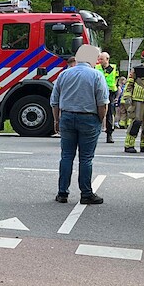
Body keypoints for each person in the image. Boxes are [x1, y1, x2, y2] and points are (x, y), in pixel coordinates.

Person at [51, 43, 108, 204]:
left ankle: (62, 193)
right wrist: (101, 121)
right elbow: (102, 103)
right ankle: (86, 193)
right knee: (86, 158)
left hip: (67, 117)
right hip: (89, 118)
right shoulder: (97, 75)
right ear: (91, 58)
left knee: (66, 156)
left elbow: (54, 101)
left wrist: (56, 120)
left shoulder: (64, 74)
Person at [95, 52, 119, 143]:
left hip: (110, 93)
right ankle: (95, 133)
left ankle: (109, 134)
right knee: (96, 113)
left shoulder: (113, 68)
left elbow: (116, 80)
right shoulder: (96, 67)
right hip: (98, 91)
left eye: (101, 59)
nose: (99, 61)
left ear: (107, 59)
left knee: (109, 114)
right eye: (99, 59)